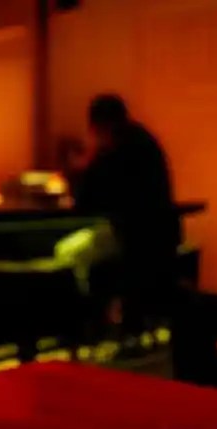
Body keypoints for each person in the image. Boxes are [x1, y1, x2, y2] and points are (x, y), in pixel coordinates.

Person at [75, 95, 180, 336]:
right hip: (160, 236)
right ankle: (115, 322)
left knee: (69, 251)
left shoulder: (114, 149)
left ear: (98, 126)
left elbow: (86, 199)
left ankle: (86, 326)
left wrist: (88, 160)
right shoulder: (144, 141)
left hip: (132, 237)